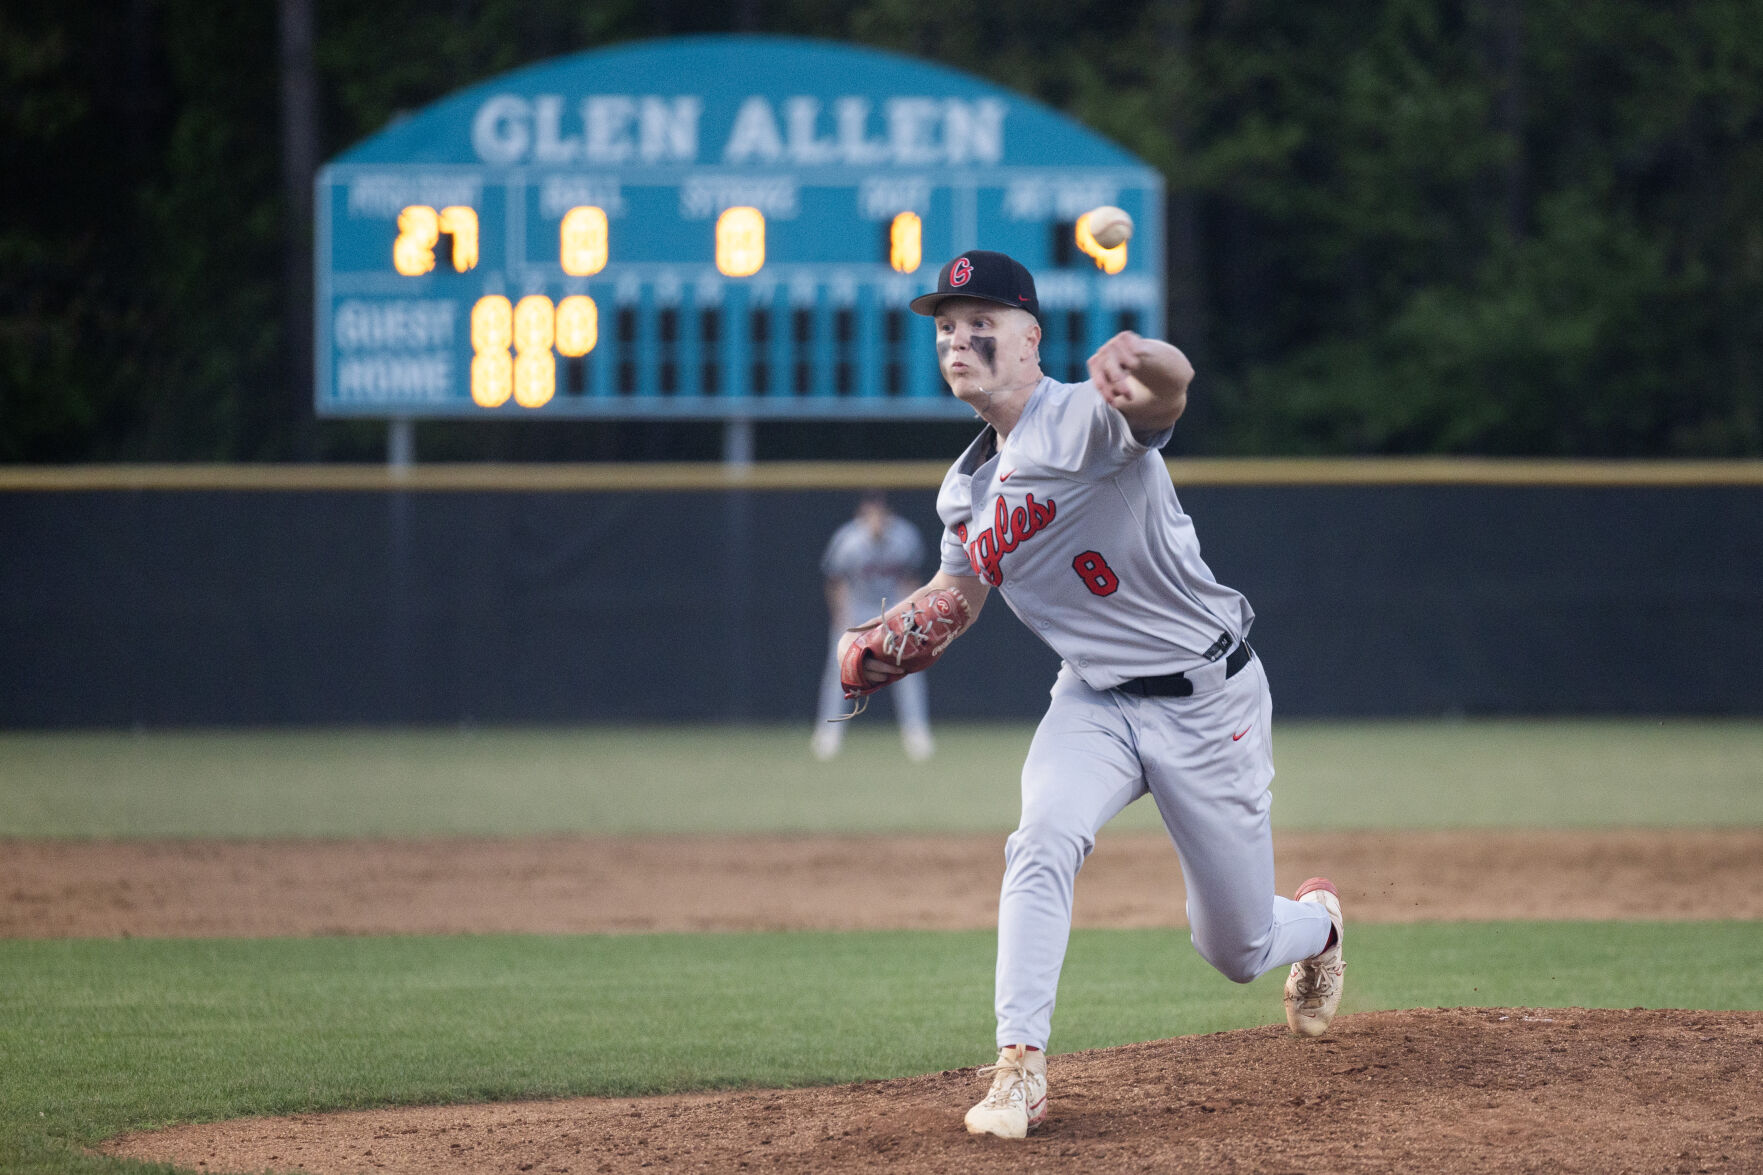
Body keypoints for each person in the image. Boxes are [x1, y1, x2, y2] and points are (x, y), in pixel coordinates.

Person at [838, 250, 1346, 1140]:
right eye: (946, 326)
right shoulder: (963, 491)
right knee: (1039, 838)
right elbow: (959, 596)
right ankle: (1018, 1070)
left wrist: (1142, 360)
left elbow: (1168, 394)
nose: (959, 336)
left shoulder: (1083, 416)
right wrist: (893, 638)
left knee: (1234, 949)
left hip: (1204, 700)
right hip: (1093, 701)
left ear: (1031, 338)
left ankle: (1320, 927)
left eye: (980, 320)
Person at [813, 492, 936, 762]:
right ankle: (828, 734)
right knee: (840, 672)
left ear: (888, 516)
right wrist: (841, 617)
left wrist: (910, 616)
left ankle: (916, 733)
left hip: (892, 608)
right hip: (857, 610)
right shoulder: (849, 541)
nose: (877, 521)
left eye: (881, 515)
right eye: (871, 515)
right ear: (862, 516)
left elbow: (911, 579)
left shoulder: (904, 538)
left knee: (909, 668)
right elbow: (835, 581)